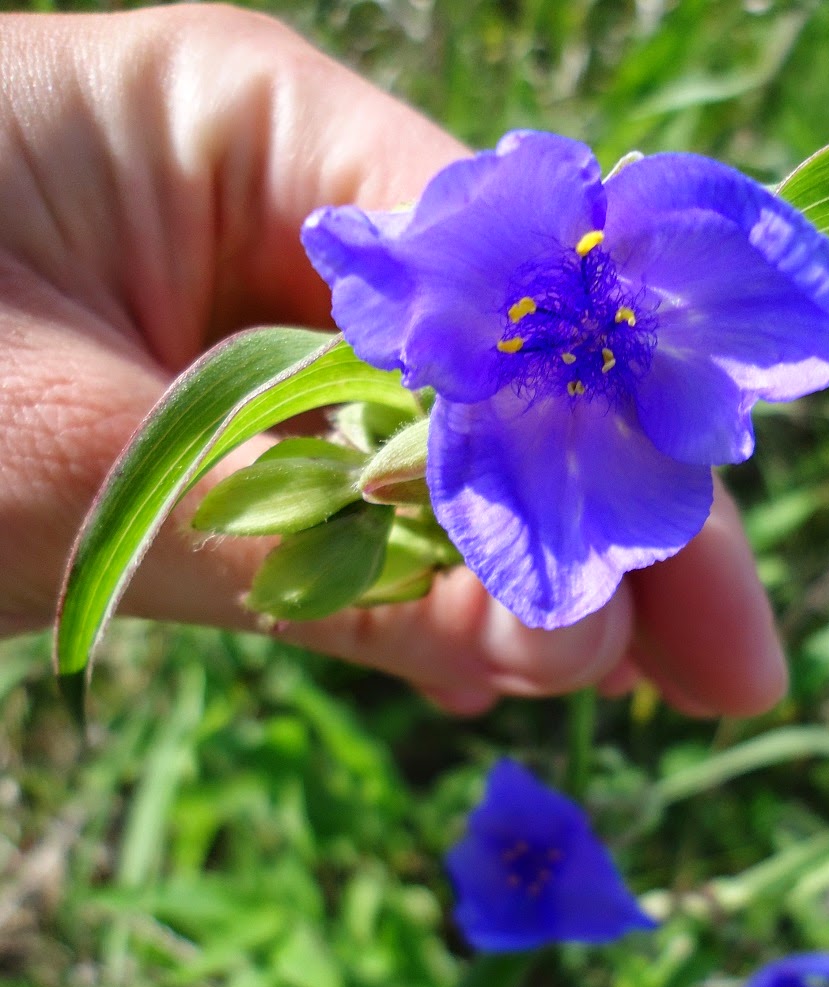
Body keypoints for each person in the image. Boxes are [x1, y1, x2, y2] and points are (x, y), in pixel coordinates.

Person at [0, 4, 787, 717]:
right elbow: (384, 254)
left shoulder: (695, 319)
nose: (585, 332)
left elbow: (810, 313)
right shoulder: (465, 269)